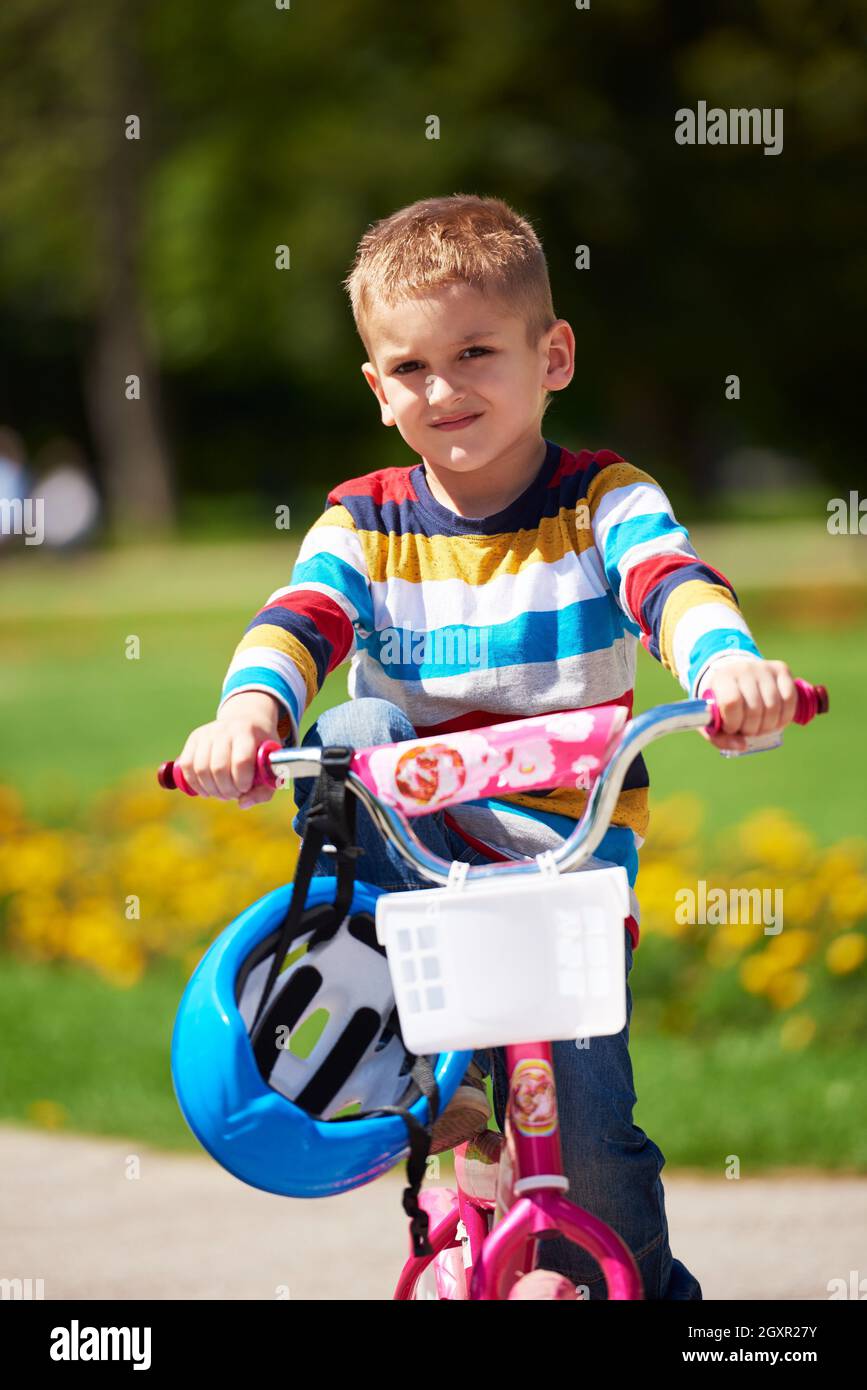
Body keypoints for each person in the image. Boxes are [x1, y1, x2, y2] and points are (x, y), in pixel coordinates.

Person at [176, 194, 801, 1299]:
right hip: (407, 864)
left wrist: (725, 668)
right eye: (411, 367)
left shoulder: (601, 499)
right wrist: (247, 717)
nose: (445, 388)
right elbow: (300, 619)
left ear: (552, 355)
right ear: (378, 390)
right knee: (354, 729)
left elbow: (673, 585)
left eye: (477, 353)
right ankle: (424, 1057)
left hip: (562, 848)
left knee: (593, 1142)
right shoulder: (365, 521)